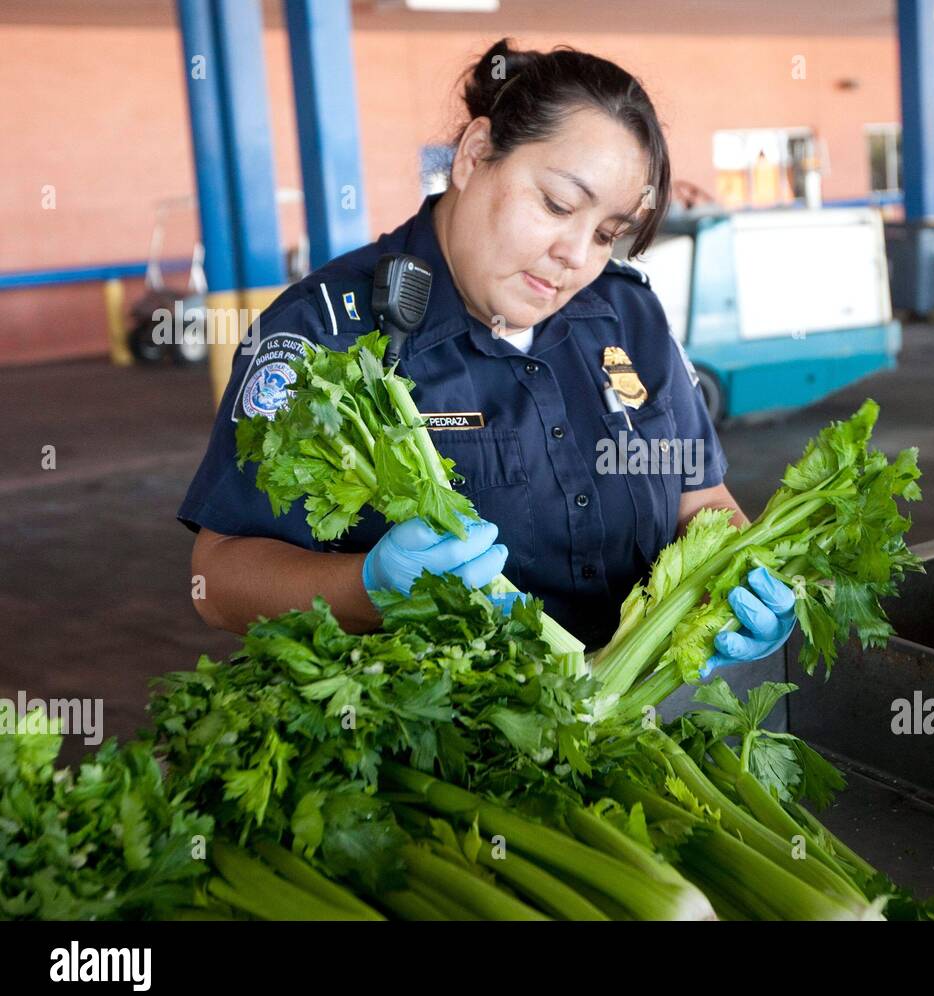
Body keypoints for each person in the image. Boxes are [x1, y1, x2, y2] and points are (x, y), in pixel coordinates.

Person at [179, 38, 794, 677]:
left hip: (638, 717)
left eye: (608, 234)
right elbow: (218, 580)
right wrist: (370, 588)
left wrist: (739, 577)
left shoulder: (628, 314)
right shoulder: (326, 330)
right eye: (557, 205)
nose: (577, 256)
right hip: (430, 747)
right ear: (475, 155)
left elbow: (701, 498)